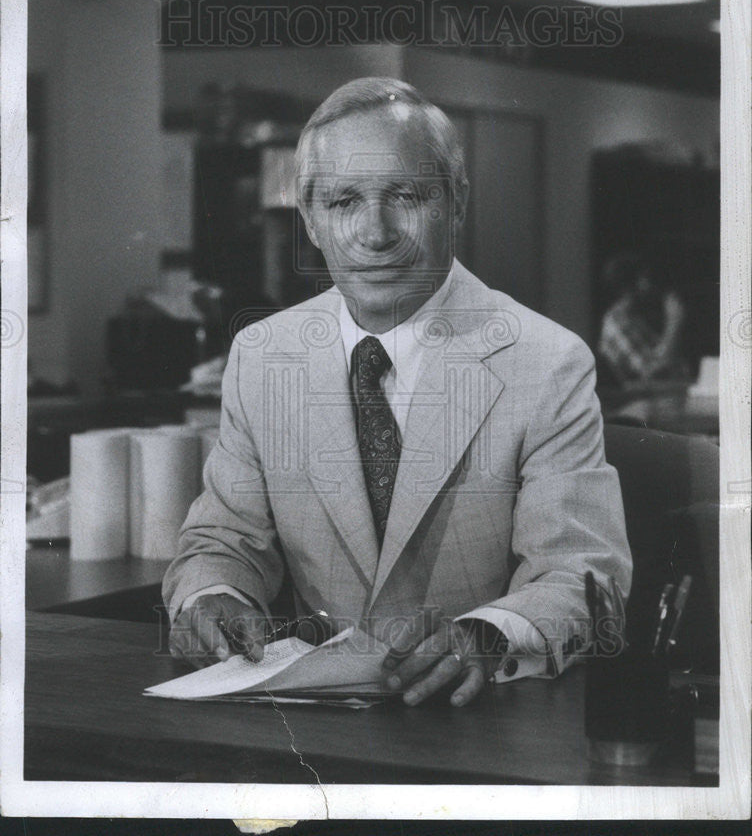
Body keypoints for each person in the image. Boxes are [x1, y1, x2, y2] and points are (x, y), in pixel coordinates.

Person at [163, 77, 631, 708]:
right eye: (344, 201)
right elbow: (223, 539)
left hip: (482, 718)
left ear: (456, 203)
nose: (375, 233)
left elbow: (584, 575)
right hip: (315, 722)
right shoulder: (263, 356)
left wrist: (490, 635)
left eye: (405, 196)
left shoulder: (545, 361)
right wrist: (211, 594)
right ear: (311, 218)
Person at [597, 253, 688, 388]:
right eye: (645, 278)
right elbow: (653, 374)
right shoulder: (617, 323)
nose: (652, 284)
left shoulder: (635, 319)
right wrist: (674, 324)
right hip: (631, 404)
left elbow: (676, 368)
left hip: (654, 400)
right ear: (630, 285)